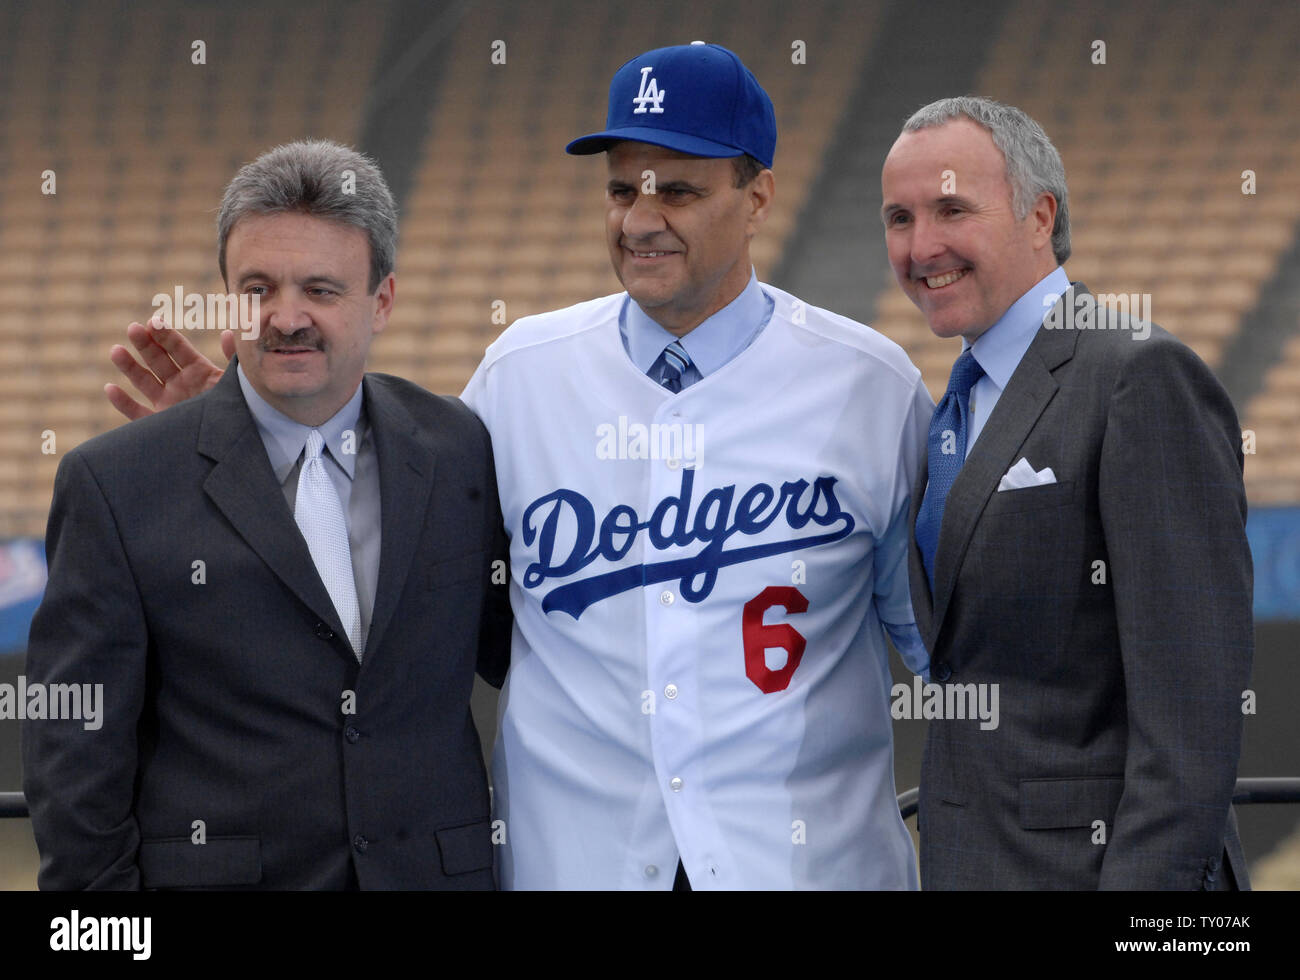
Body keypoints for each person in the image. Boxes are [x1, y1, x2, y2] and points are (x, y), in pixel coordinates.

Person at [103, 44, 934, 890]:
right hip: (575, 865)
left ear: (757, 196)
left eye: (677, 189)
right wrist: (257, 439)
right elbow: (382, 601)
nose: (639, 220)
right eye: (621, 189)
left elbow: (946, 648)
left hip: (812, 867)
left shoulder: (870, 387)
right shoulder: (519, 375)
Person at [24, 139, 511, 890]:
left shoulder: (460, 449)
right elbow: (74, 759)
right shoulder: (115, 483)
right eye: (257, 289)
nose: (286, 318)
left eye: (321, 289)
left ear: (382, 301)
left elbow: (524, 651)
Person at [880, 96, 1253, 889]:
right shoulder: (957, 397)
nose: (921, 245)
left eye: (951, 209)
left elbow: (1191, 720)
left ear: (1040, 215)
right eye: (899, 217)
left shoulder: (1138, 375)